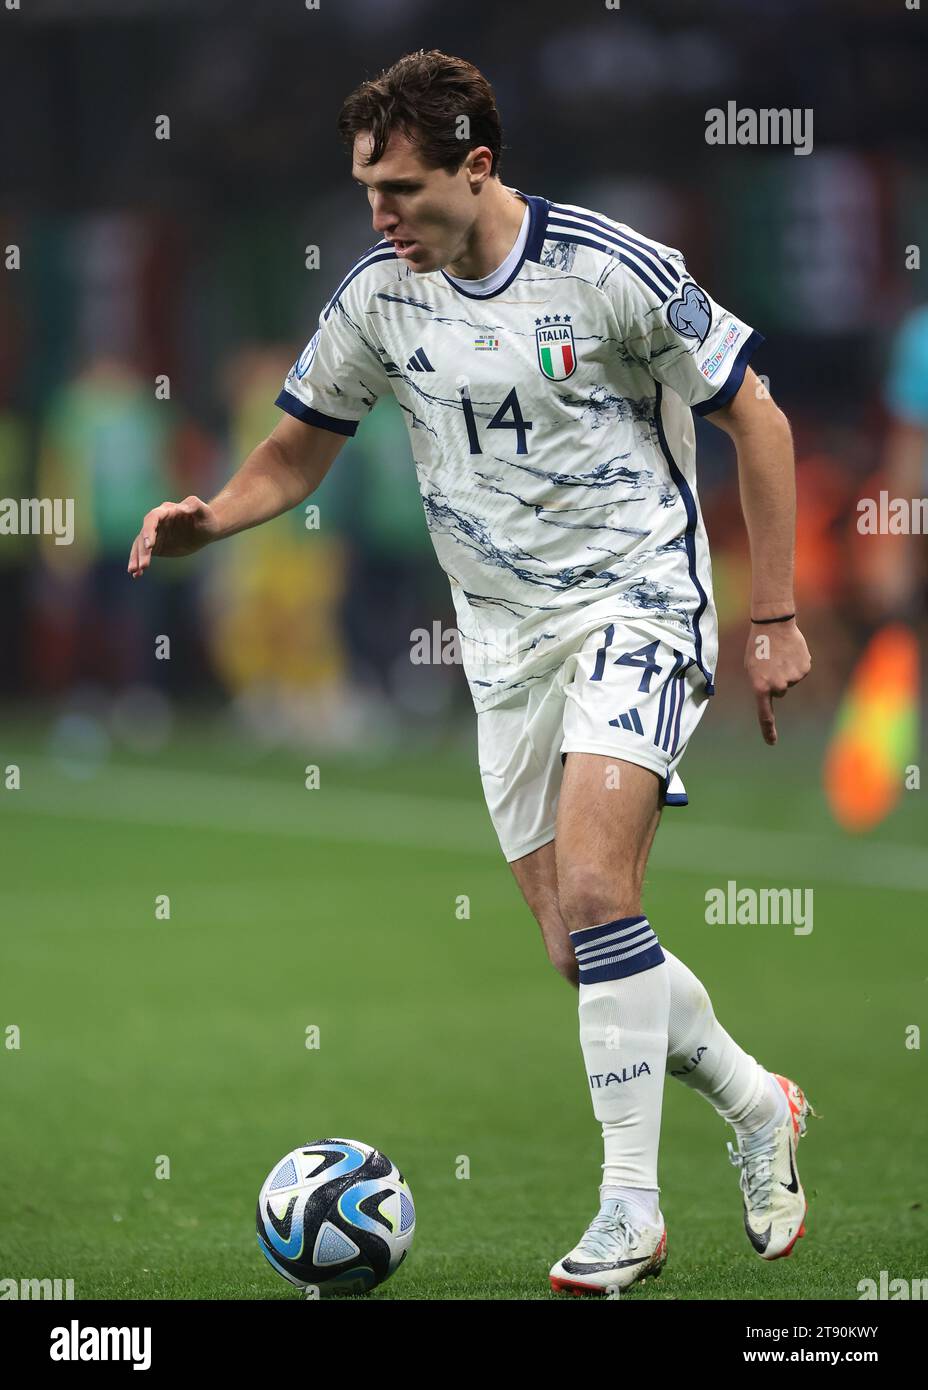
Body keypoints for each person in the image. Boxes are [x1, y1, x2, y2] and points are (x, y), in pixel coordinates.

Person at [128, 49, 814, 1295]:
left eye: (398, 190)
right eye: (364, 190)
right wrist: (214, 516)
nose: (377, 217)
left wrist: (768, 613)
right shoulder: (382, 297)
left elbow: (754, 412)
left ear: (476, 167)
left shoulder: (607, 269)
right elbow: (296, 450)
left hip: (638, 601)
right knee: (580, 949)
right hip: (500, 645)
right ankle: (755, 1099)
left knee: (604, 895)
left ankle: (628, 1213)